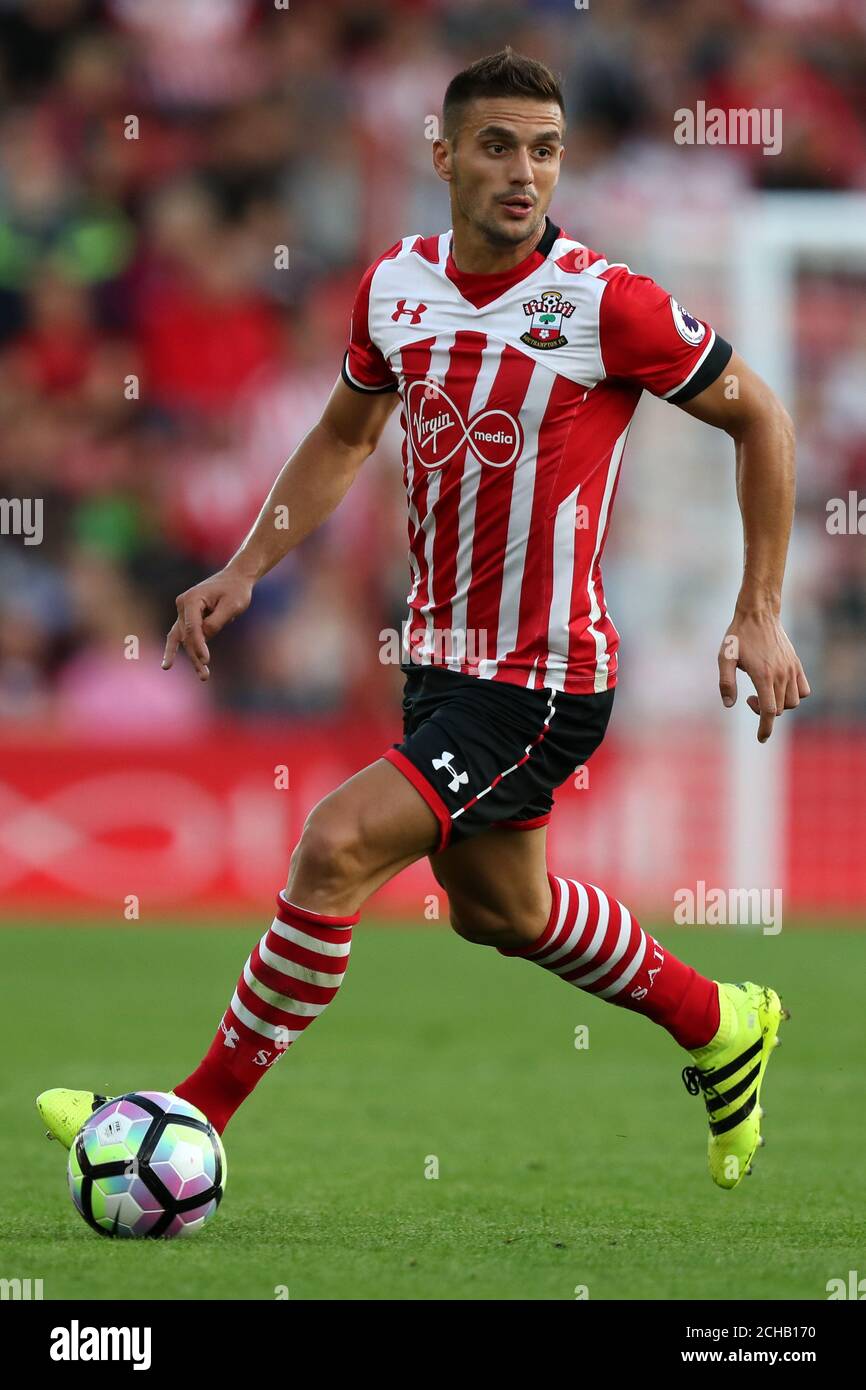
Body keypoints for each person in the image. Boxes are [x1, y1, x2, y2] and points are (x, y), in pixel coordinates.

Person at [39, 48, 808, 1191]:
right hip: (441, 665)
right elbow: (347, 436)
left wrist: (757, 611)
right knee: (500, 910)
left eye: (543, 150)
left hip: (542, 675)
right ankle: (718, 1020)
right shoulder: (396, 284)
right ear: (441, 156)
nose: (523, 172)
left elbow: (763, 421)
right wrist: (246, 565)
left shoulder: (604, 304)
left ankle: (179, 1120)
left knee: (334, 843)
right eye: (497, 145)